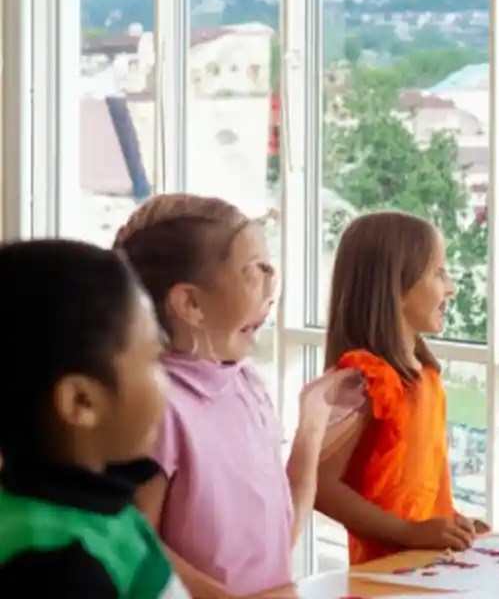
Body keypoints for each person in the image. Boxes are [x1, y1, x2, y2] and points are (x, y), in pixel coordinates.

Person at [117, 194, 347, 598]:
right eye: (253, 269)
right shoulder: (158, 406)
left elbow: (278, 539)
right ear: (190, 303)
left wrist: (311, 426)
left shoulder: (249, 386)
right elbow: (136, 546)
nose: (271, 278)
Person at [0, 239, 186, 597]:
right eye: (154, 358)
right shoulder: (55, 569)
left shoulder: (94, 505)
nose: (168, 384)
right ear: (81, 401)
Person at [317, 211, 482, 565]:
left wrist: (451, 522)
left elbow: (417, 487)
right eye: (439, 273)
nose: (451, 287)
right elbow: (319, 485)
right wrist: (408, 533)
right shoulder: (363, 378)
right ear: (396, 288)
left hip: (428, 570)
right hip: (384, 577)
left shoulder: (427, 379)